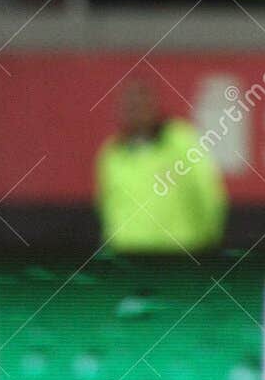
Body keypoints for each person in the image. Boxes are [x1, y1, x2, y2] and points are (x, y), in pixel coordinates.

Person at [96, 81, 227, 254]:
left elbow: (207, 194)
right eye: (131, 106)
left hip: (179, 255)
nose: (137, 111)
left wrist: (207, 242)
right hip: (128, 256)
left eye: (142, 104)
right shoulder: (112, 154)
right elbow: (108, 205)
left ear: (154, 106)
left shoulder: (181, 142)